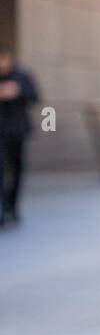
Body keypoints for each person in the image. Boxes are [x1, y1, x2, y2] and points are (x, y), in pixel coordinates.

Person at [0, 43, 40, 227]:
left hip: (17, 131)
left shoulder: (22, 76)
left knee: (16, 170)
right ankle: (3, 208)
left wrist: (17, 92)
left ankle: (12, 207)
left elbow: (35, 97)